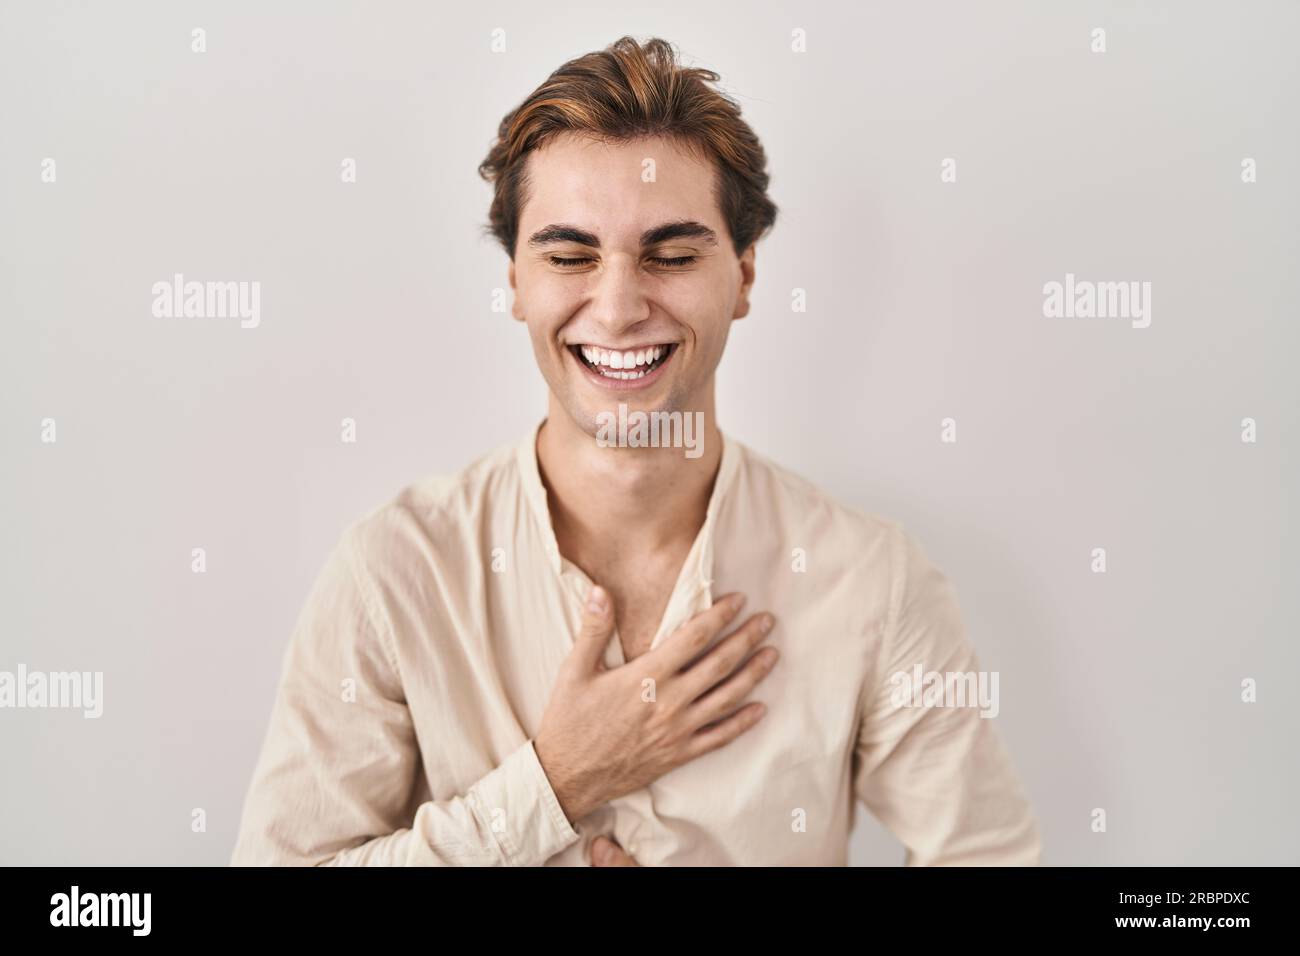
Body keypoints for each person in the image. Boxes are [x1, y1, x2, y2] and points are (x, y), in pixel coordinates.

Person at [231, 35, 1041, 867]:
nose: (617, 309)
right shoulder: (392, 573)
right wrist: (553, 784)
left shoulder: (872, 580)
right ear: (516, 279)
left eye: (673, 255)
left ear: (746, 275)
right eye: (570, 255)